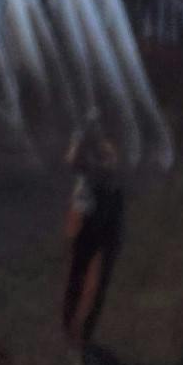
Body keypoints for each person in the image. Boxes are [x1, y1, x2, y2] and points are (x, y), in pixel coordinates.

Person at [60, 119, 128, 353]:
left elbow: (117, 180)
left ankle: (83, 336)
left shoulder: (113, 165)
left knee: (97, 286)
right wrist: (80, 135)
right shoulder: (88, 160)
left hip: (108, 228)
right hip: (86, 222)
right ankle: (69, 329)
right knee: (76, 277)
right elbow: (72, 160)